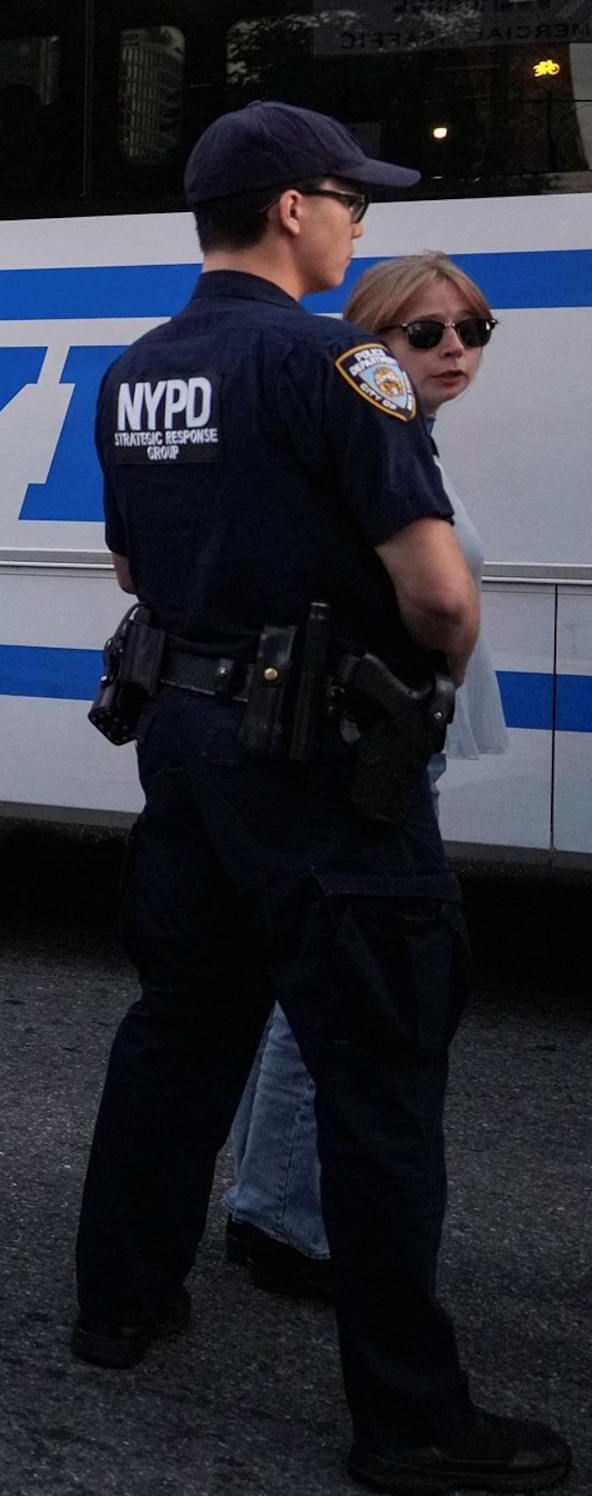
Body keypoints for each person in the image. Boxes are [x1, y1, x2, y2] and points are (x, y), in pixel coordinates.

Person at [72, 104, 568, 1494]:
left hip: (185, 741)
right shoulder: (337, 359)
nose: (362, 221)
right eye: (352, 197)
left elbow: (129, 573)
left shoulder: (136, 369)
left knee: (181, 1023)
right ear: (292, 208)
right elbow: (438, 590)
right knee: (380, 1073)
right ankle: (411, 1417)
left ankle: (120, 1299)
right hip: (322, 763)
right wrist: (429, 681)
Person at [222, 251, 508, 1310]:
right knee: (343, 987)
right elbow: (427, 600)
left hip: (390, 729)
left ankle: (268, 1191)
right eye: (425, 331)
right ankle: (280, 1214)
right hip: (375, 732)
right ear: (371, 341)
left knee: (316, 981)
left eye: (473, 330)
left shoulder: (408, 440)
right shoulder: (371, 440)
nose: (453, 350)